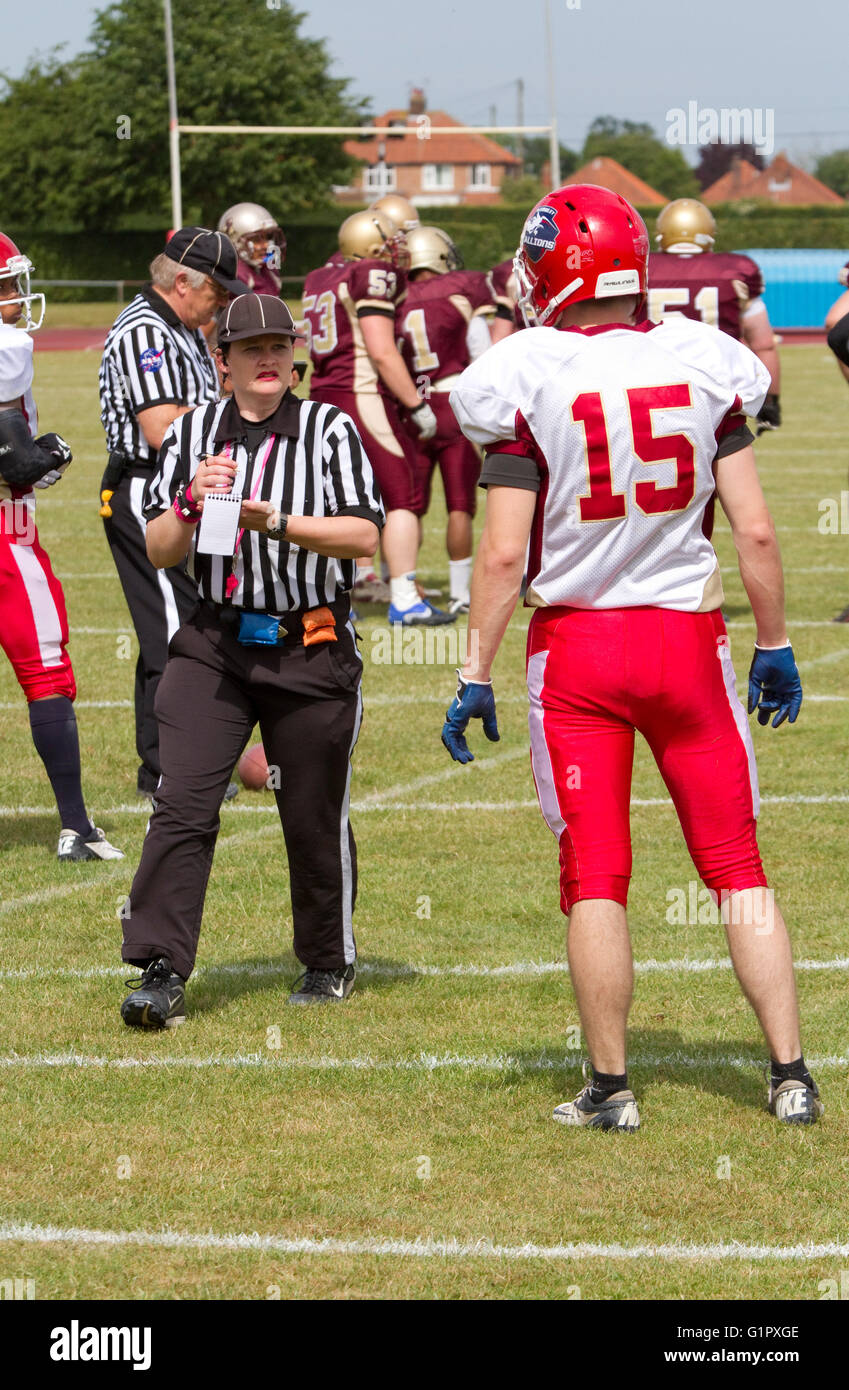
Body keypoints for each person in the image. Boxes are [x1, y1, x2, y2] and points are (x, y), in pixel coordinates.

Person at [443, 184, 822, 1131]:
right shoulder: (701, 364)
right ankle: (790, 1076)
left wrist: (474, 669)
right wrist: (774, 645)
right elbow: (759, 535)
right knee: (736, 863)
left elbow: (498, 552)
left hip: (578, 650)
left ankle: (610, 1090)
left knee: (596, 874)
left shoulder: (524, 372)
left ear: (553, 271)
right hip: (687, 639)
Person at [119, 294, 383, 1027]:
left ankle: (326, 958)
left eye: (278, 346)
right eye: (251, 348)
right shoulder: (196, 432)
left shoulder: (328, 429)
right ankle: (160, 967)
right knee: (183, 801)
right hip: (217, 641)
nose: (267, 359)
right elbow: (161, 549)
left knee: (308, 809)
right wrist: (187, 504)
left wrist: (277, 520)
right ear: (221, 361)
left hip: (310, 640)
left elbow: (364, 537)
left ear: (293, 355)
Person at [98, 227, 244, 798]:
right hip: (148, 487)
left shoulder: (181, 324)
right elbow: (162, 428)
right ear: (181, 281)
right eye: (217, 289)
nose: (223, 300)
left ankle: (161, 762)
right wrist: (235, 428)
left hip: (185, 486)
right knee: (173, 632)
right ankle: (170, 771)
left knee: (180, 622)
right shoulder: (145, 330)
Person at [0, 233, 122, 861]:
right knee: (46, 671)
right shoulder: (8, 346)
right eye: (4, 286)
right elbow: (14, 460)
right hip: (6, 532)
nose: (17, 298)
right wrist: (43, 457)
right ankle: (76, 826)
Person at [303, 209, 452, 625]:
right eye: (390, 243)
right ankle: (404, 597)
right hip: (362, 393)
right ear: (369, 247)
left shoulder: (321, 276)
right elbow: (381, 350)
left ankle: (329, 599)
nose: (398, 250)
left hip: (322, 394)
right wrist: (417, 405)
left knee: (333, 500)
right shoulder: (370, 272)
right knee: (401, 494)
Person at [396, 225, 496, 613]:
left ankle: (405, 585)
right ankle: (460, 595)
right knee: (459, 503)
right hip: (453, 403)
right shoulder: (460, 290)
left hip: (412, 405)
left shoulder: (397, 298)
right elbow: (482, 353)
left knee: (409, 505)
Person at [644, 198, 781, 437]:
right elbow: (764, 344)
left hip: (653, 388)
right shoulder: (735, 270)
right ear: (708, 233)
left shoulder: (644, 269)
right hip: (719, 391)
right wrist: (770, 402)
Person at [217, 202, 287, 296]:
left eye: (268, 237)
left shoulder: (268, 270)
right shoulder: (235, 275)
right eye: (256, 239)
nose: (266, 245)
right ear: (235, 242)